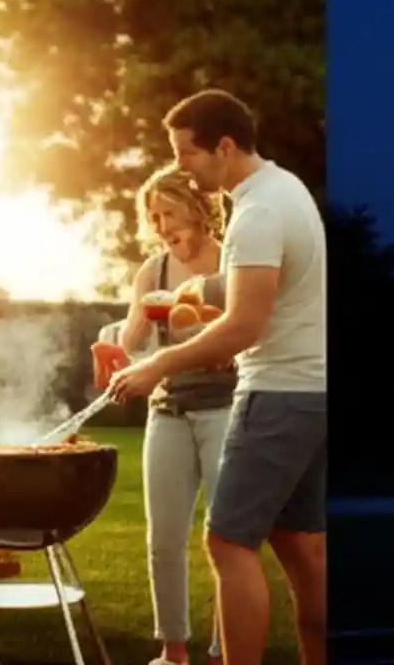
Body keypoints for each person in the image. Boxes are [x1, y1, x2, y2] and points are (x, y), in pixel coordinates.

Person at [109, 89, 327, 665]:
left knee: (227, 542)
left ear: (223, 147)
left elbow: (245, 327)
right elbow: (260, 300)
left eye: (186, 153)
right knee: (302, 546)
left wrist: (156, 363)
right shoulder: (286, 190)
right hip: (311, 392)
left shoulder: (257, 211)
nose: (179, 164)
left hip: (278, 393)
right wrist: (195, 297)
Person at [96, 164, 233, 665]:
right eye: (151, 217)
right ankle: (172, 652)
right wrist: (110, 346)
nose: (158, 225)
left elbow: (251, 332)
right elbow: (132, 338)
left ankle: (224, 652)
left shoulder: (233, 262)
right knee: (164, 538)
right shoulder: (151, 274)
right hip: (167, 411)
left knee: (225, 539)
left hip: (224, 409)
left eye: (166, 212)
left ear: (196, 210)